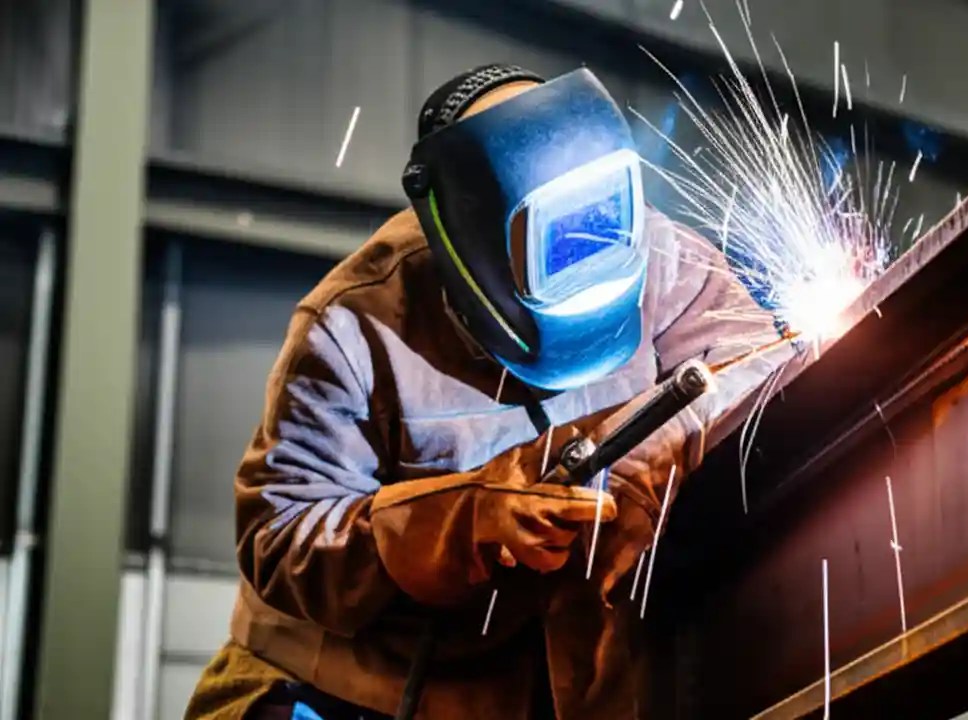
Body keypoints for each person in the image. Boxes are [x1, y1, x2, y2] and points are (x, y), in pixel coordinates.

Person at [185, 64, 805, 720]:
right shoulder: (353, 325)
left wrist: (645, 457)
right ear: (466, 247)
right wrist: (457, 519)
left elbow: (758, 372)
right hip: (344, 687)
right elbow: (279, 536)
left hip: (538, 687)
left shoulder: (662, 255)